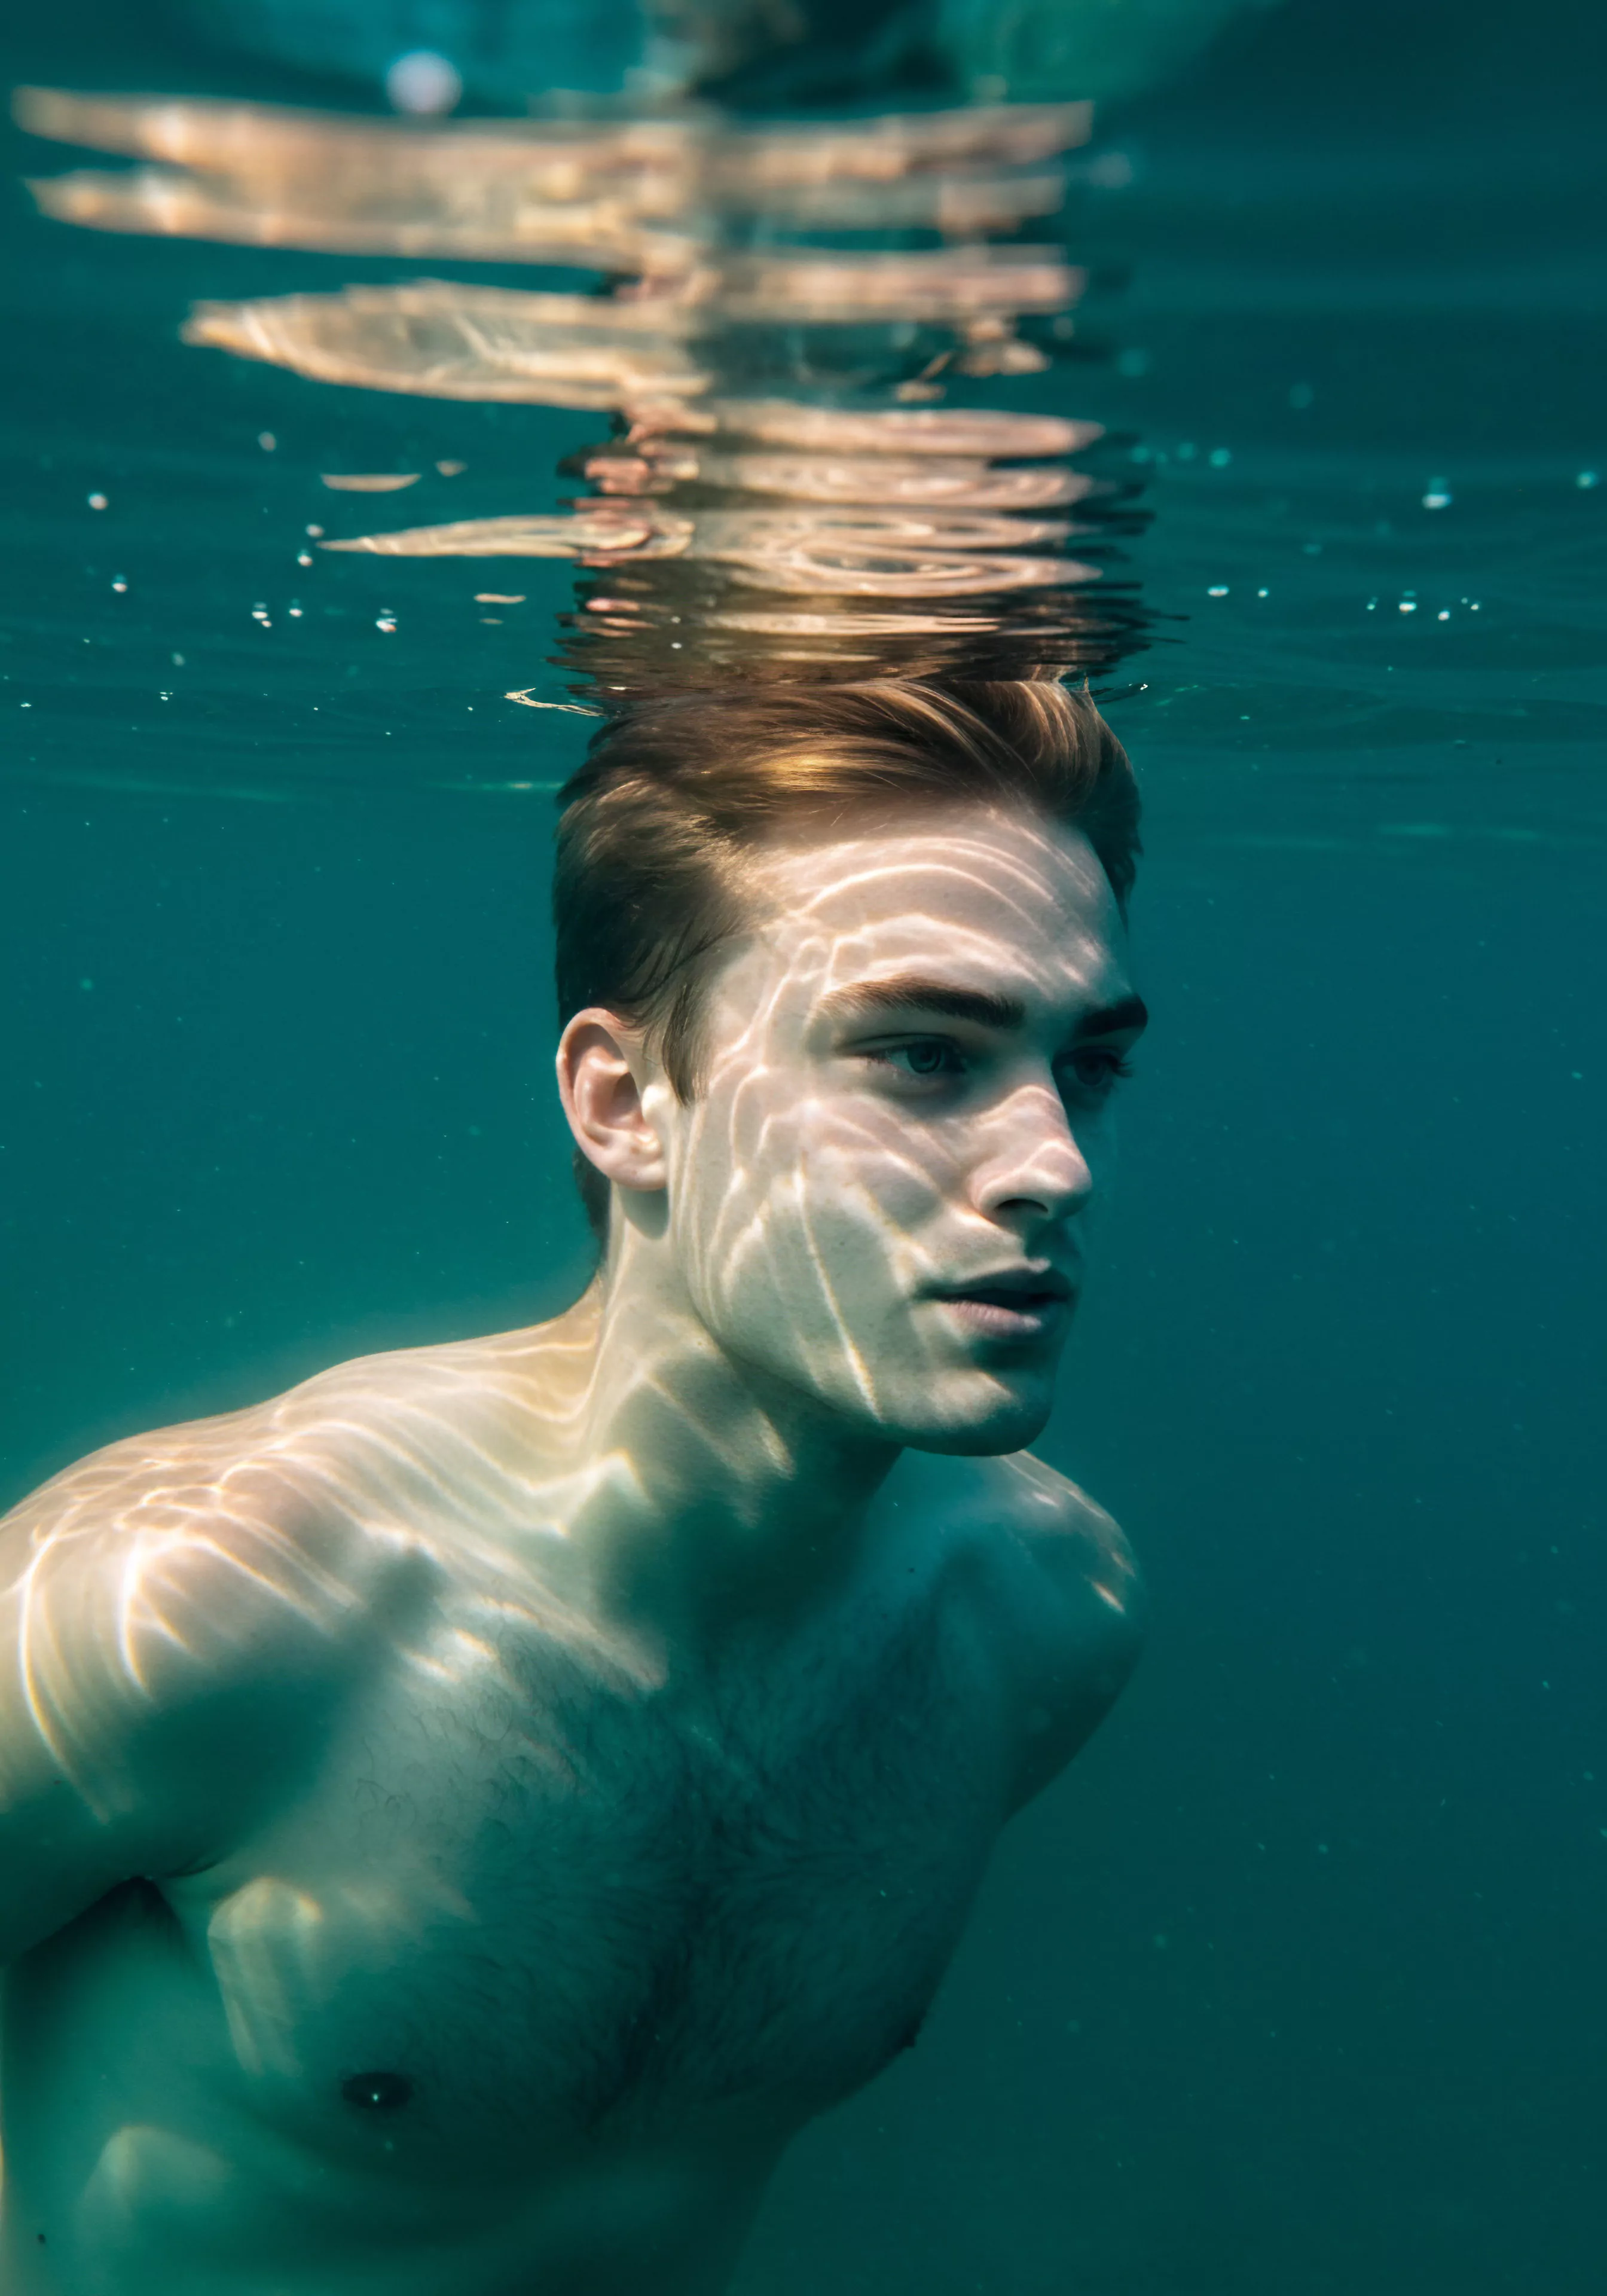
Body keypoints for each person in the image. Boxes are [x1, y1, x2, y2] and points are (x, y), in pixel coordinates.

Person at [0, 675, 1150, 2296]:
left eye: (1084, 1064)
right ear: (627, 1104)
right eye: (920, 1054)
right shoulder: (196, 1609)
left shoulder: (1041, 1623)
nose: (1054, 1161)